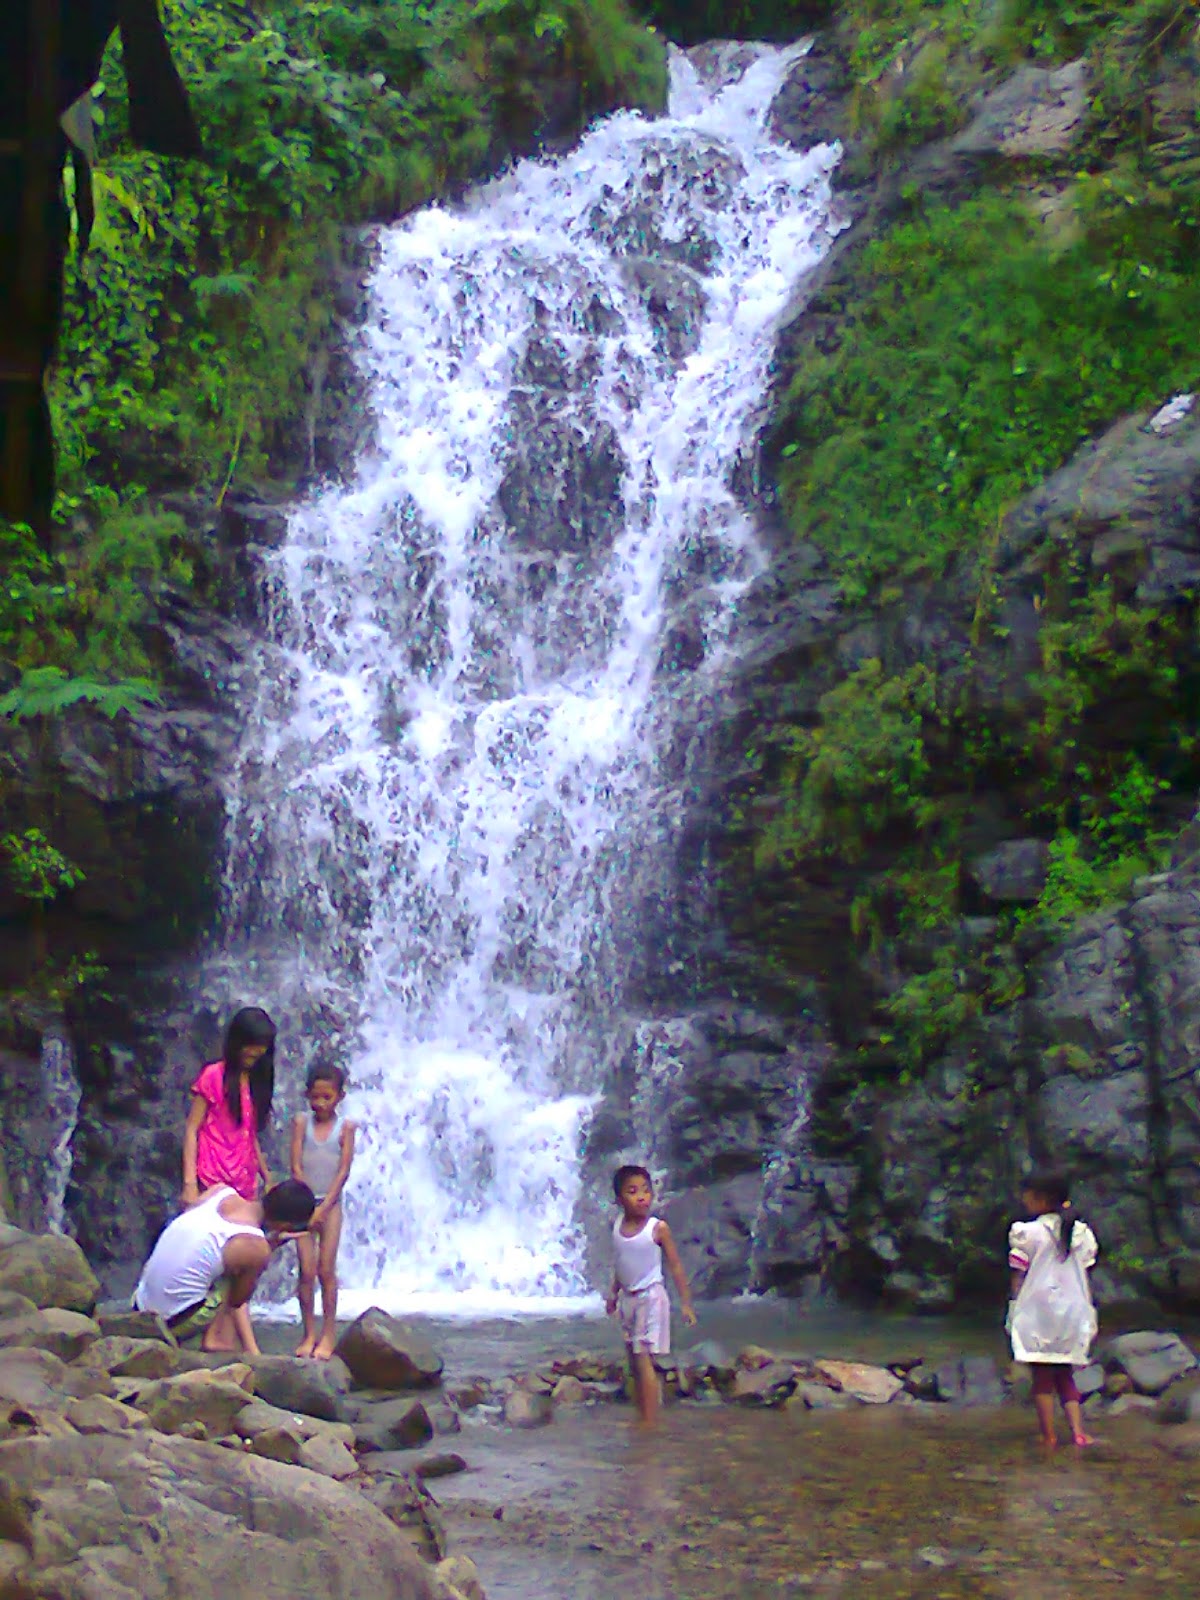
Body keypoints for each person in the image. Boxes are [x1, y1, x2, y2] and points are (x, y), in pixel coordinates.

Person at [133, 1179, 315, 1354]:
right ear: (285, 1225)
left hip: (140, 1305)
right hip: (172, 1320)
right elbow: (238, 1300)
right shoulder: (255, 1246)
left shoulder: (219, 1191)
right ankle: (217, 1341)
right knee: (235, 1277)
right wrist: (268, 1248)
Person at [1007, 1170, 1099, 1449]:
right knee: (1065, 1373)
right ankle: (1078, 1433)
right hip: (1072, 1310)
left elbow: (1018, 1273)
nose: (1024, 1199)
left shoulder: (1028, 1233)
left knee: (1043, 1377)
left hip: (1040, 1310)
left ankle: (1049, 1436)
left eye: (1028, 1195)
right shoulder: (1081, 1233)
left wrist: (1014, 1306)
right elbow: (1085, 1268)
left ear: (1041, 1199)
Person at [605, 1164, 696, 1428]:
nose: (642, 1196)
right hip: (629, 1298)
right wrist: (613, 1294)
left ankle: (649, 1421)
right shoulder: (618, 1226)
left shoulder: (658, 1229)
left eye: (646, 1190)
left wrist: (686, 1303)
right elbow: (620, 1263)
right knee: (633, 1359)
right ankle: (642, 1410)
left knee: (644, 1357)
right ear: (619, 1199)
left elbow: (676, 1266)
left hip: (651, 1297)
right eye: (633, 1191)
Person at [290, 1062, 357, 1360]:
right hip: (302, 1205)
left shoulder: (345, 1128)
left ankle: (328, 1334)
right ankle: (308, 1334)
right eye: (315, 1097)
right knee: (306, 1271)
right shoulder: (301, 1123)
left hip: (330, 1206)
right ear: (307, 1095)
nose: (320, 1104)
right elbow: (295, 1165)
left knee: (326, 1270)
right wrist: (306, 1204)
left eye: (326, 1098)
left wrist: (324, 1206)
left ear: (339, 1097)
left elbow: (343, 1171)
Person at [182, 1007, 277, 1205]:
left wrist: (266, 1176)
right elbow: (192, 1129)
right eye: (249, 1045)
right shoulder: (213, 1075)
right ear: (236, 1042)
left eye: (260, 1046)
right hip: (211, 1179)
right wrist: (189, 1184)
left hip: (245, 1184)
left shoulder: (257, 1081)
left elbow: (248, 1134)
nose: (254, 1051)